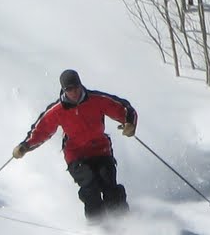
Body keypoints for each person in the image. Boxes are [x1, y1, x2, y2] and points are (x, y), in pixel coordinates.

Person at [13, 69, 138, 221]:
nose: (74, 92)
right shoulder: (57, 110)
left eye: (76, 87)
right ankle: (98, 226)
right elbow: (41, 130)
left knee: (109, 187)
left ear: (80, 84)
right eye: (69, 89)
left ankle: (123, 221)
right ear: (64, 90)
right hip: (76, 156)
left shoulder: (96, 99)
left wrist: (129, 124)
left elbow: (125, 109)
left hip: (101, 150)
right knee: (90, 186)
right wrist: (25, 146)